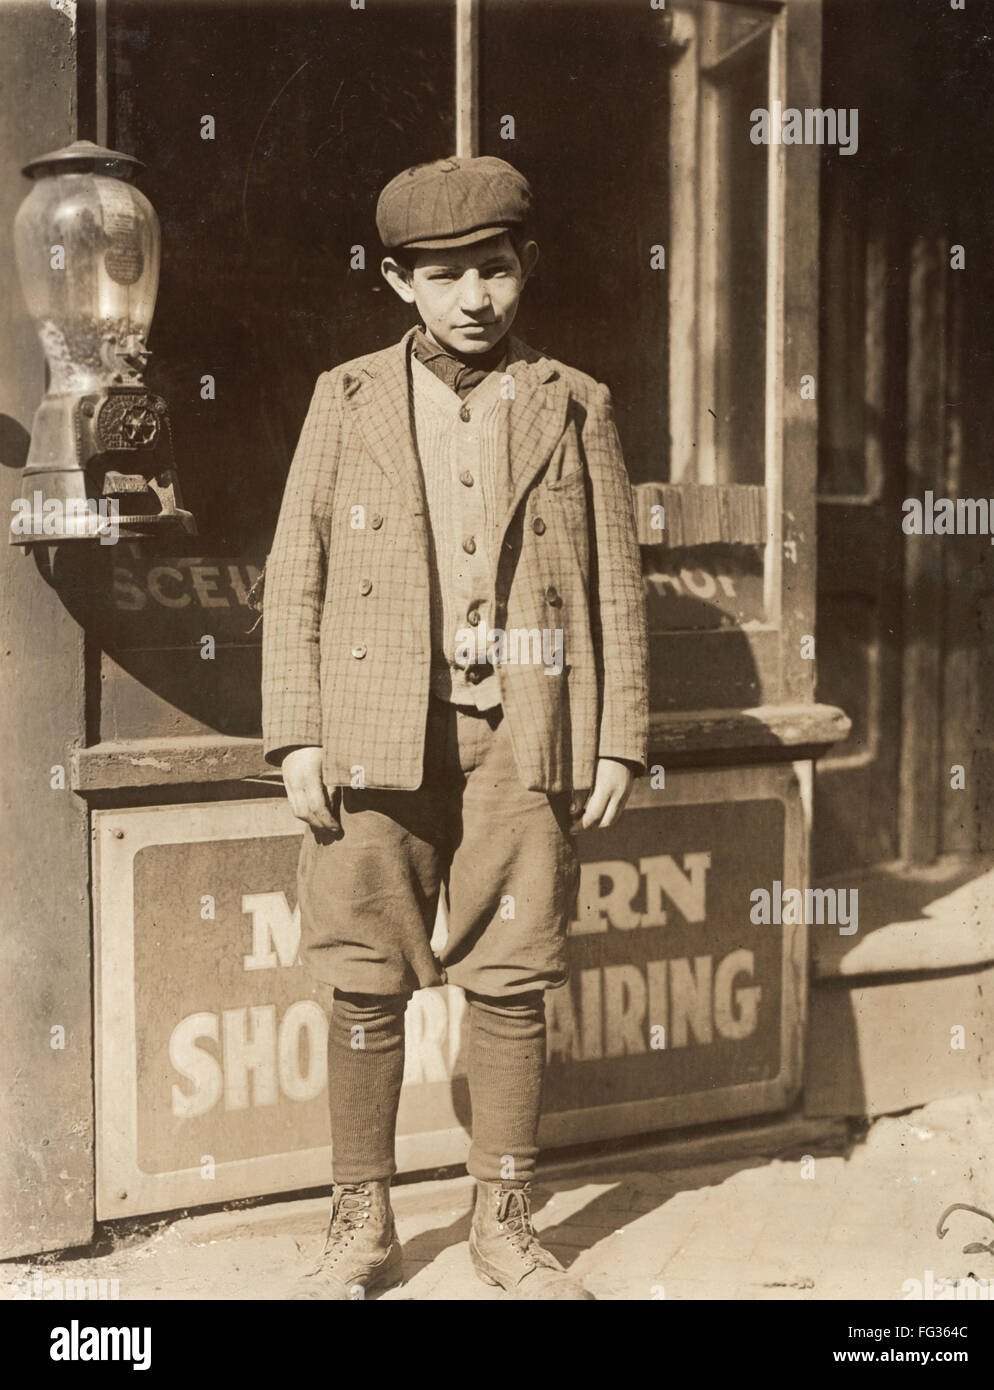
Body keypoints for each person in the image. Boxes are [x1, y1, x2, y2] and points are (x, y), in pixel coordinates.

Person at [261, 155, 648, 1300]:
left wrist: (619, 733)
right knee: (364, 978)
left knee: (514, 979)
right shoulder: (346, 397)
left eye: (494, 267)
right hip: (375, 735)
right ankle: (360, 1225)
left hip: (523, 741)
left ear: (525, 266)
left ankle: (506, 1224)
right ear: (397, 282)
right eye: (444, 274)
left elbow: (617, 585)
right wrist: (293, 735)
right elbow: (297, 573)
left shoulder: (577, 400)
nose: (474, 295)